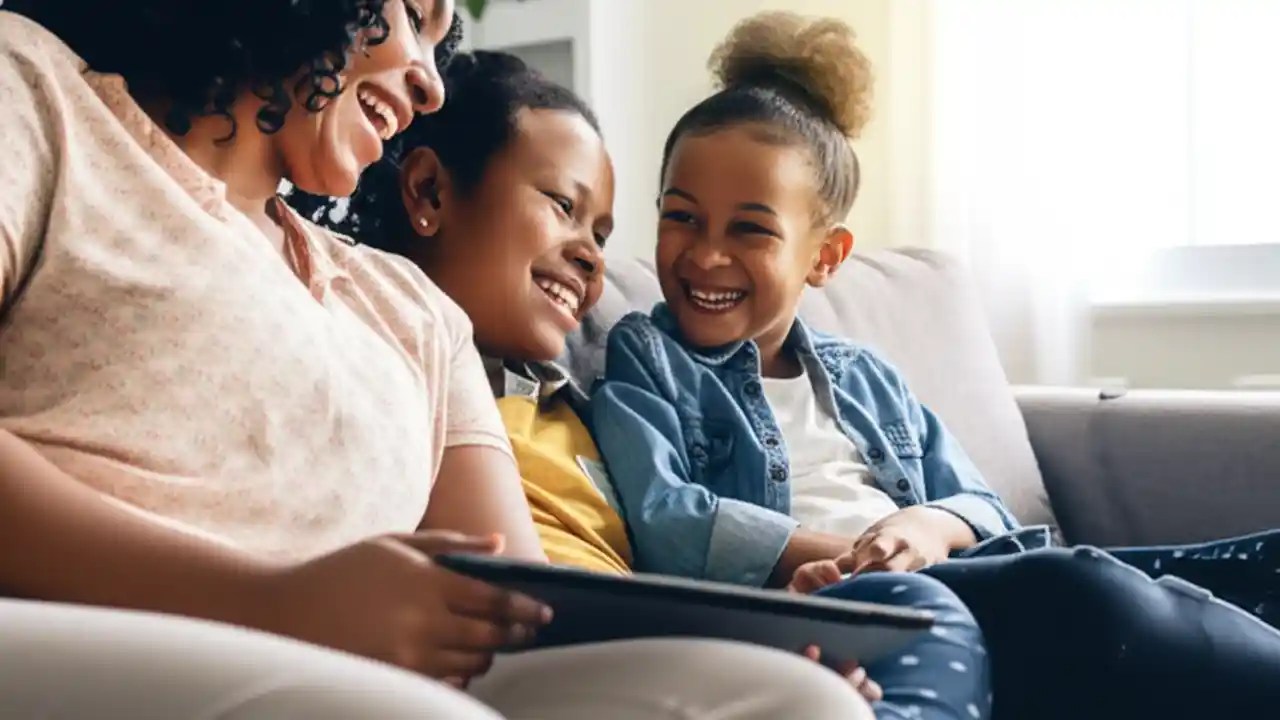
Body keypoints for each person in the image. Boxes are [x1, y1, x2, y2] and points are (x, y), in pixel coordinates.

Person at [0, 3, 865, 718]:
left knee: (792, 701)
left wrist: (752, 641)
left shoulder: (409, 308)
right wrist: (278, 601)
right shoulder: (39, 94)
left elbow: (523, 603)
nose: (429, 77)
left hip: (354, 679)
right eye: (411, 17)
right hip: (76, 632)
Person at [589, 10, 1280, 719]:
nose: (705, 254)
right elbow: (668, 520)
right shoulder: (649, 358)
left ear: (825, 256)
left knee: (1245, 566)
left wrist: (921, 531)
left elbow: (980, 506)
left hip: (966, 585)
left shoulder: (865, 378)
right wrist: (859, 554)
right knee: (1086, 591)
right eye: (682, 217)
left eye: (750, 229)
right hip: (854, 604)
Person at [294, 45, 995, 720]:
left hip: (665, 653)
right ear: (426, 190)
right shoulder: (388, 360)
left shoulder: (570, 408)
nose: (591, 259)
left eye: (600, 234)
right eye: (562, 207)